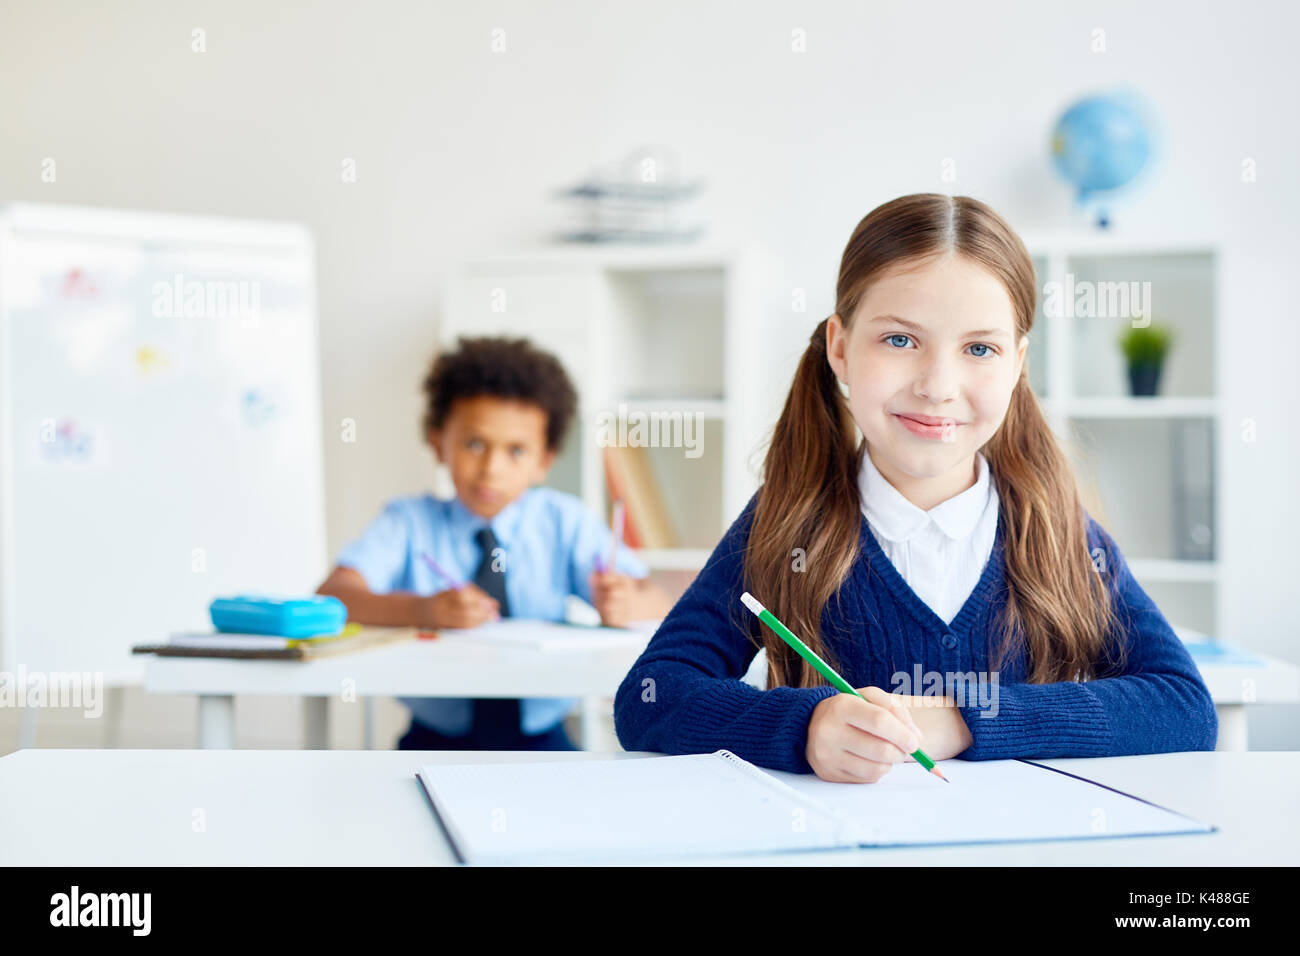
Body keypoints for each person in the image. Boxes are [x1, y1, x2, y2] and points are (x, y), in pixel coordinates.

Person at [614, 193, 1217, 781]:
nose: (937, 386)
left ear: (1017, 366)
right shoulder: (789, 522)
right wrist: (806, 725)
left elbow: (1183, 708)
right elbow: (649, 698)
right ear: (841, 349)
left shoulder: (1055, 528)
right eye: (900, 340)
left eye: (980, 348)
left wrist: (964, 718)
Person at [319, 335, 673, 750]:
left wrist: (627, 602)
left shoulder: (564, 520)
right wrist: (423, 610)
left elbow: (660, 602)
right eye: (474, 444)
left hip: (543, 742)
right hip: (434, 741)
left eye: (516, 451)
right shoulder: (408, 522)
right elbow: (334, 597)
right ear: (438, 444)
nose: (491, 469)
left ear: (544, 462)